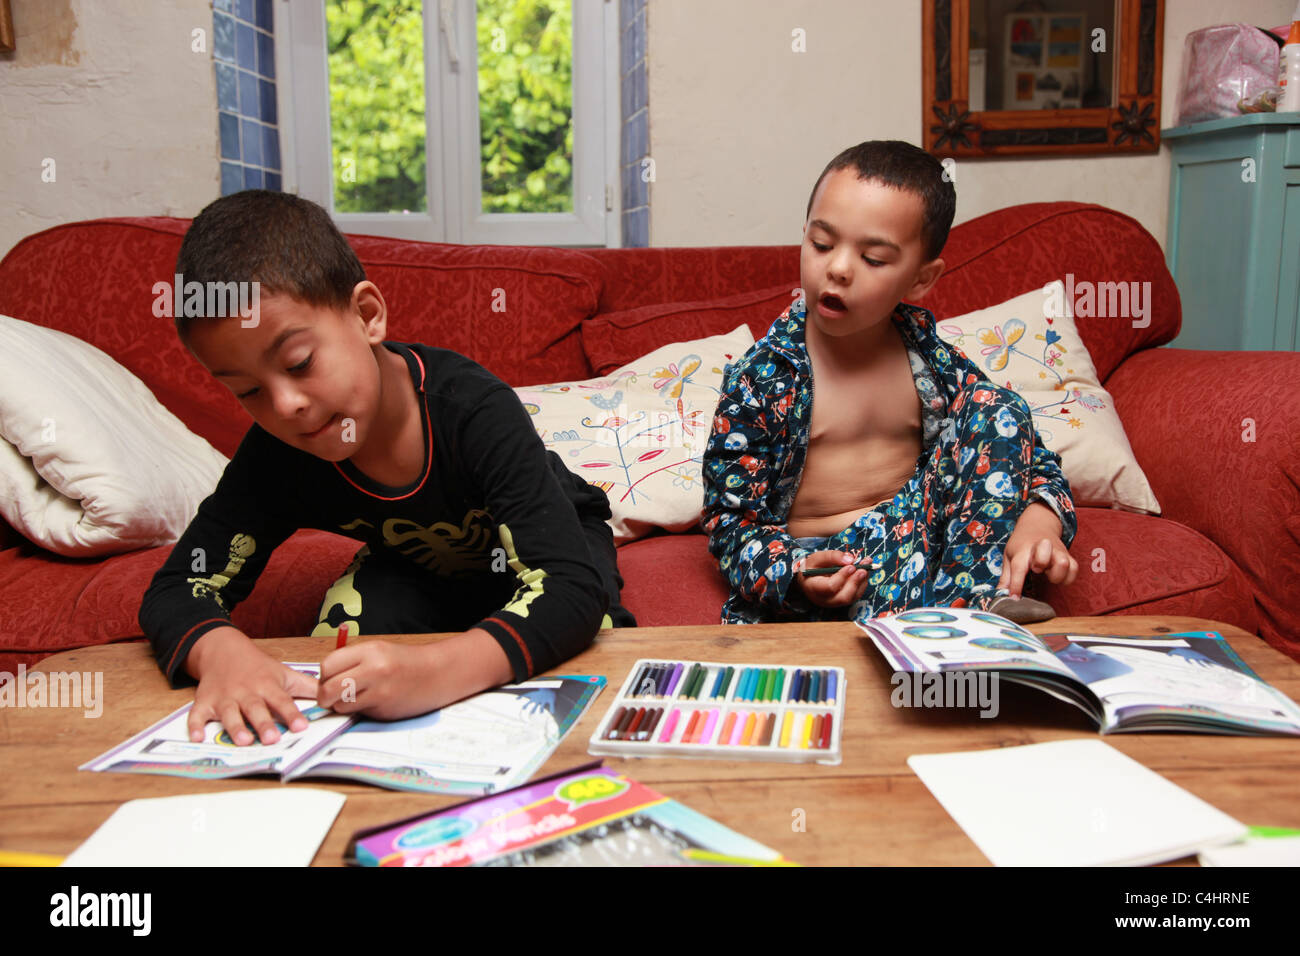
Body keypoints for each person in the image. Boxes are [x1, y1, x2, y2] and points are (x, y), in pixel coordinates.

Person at [139, 191, 633, 747]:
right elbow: (179, 586)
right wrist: (222, 654)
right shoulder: (279, 451)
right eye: (248, 391)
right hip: (417, 567)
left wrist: (436, 672)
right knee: (349, 644)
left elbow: (566, 586)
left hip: (551, 547)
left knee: (593, 637)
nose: (284, 406)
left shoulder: (473, 410)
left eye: (299, 364)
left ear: (367, 315)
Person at [701, 140, 1077, 627]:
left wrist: (1042, 515)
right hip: (831, 576)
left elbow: (1021, 450)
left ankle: (970, 608)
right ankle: (946, 620)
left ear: (921, 280)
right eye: (821, 244)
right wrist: (794, 572)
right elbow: (730, 521)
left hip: (933, 563)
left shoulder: (931, 361)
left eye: (873, 258)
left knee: (997, 406)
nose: (837, 268)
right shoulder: (762, 380)